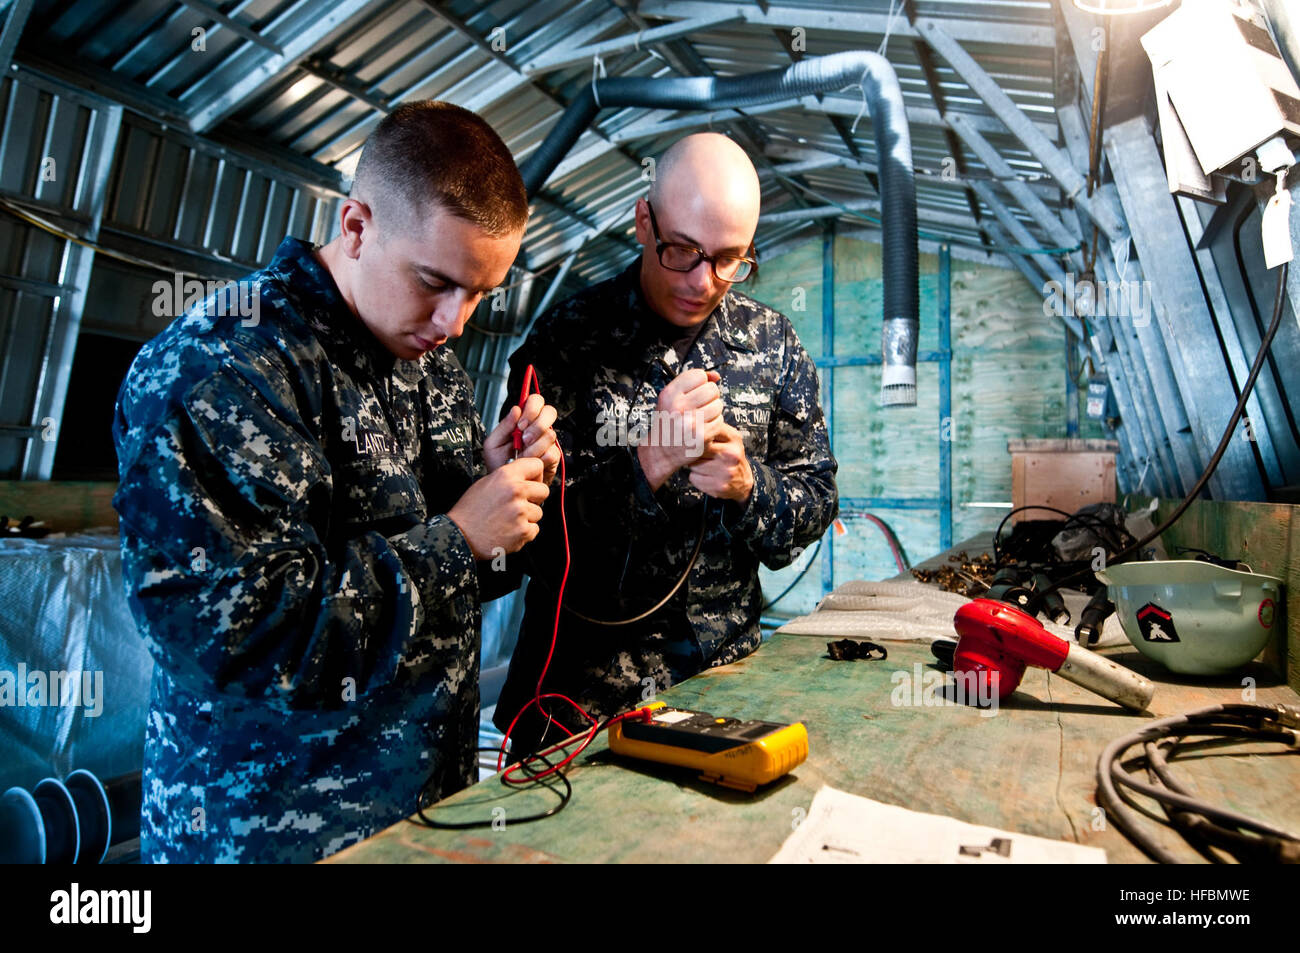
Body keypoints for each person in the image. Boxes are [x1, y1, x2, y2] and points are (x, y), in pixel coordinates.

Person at [112, 101, 559, 863]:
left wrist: (500, 497)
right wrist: (458, 538)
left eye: (482, 293)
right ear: (355, 225)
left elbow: (454, 578)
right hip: (269, 834)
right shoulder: (225, 364)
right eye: (436, 281)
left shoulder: (430, 362)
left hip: (418, 809)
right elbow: (247, 638)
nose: (455, 321)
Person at [494, 132, 838, 756]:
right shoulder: (566, 342)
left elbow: (818, 498)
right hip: (580, 710)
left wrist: (748, 487)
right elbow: (522, 544)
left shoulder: (773, 344)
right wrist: (648, 462)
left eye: (730, 258)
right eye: (682, 250)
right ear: (643, 221)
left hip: (724, 690)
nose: (704, 281)